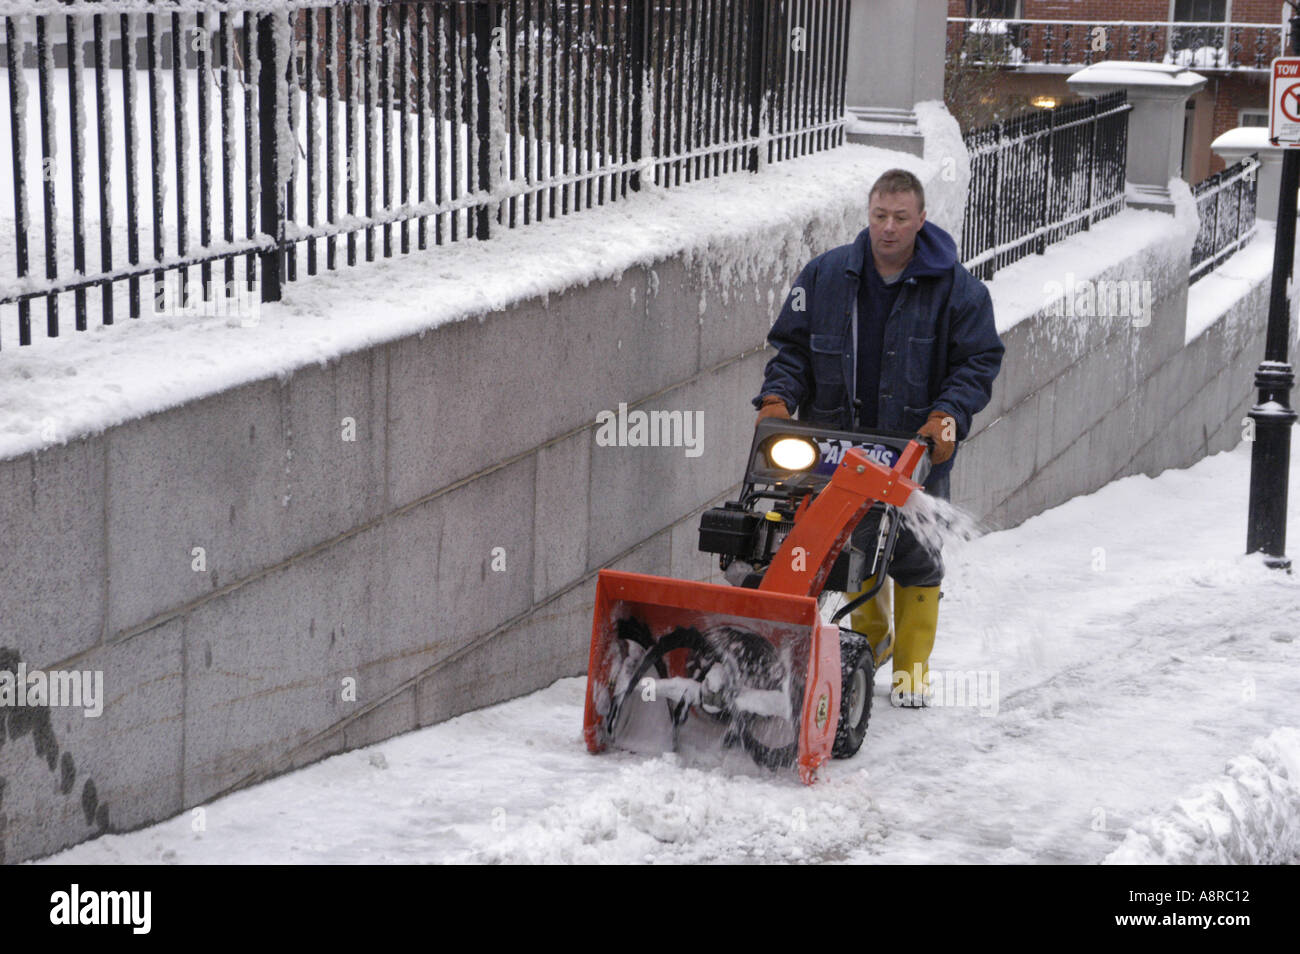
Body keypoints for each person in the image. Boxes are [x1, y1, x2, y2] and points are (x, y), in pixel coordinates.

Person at [753, 168, 1004, 707]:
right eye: (879, 217)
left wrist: (948, 416)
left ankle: (912, 670)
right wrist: (777, 398)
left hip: (911, 446)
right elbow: (792, 350)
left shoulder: (957, 290)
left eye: (900, 218)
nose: (888, 229)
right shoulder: (825, 276)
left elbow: (978, 361)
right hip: (833, 441)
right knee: (837, 542)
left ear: (921, 219)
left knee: (914, 554)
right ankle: (868, 638)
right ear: (868, 215)